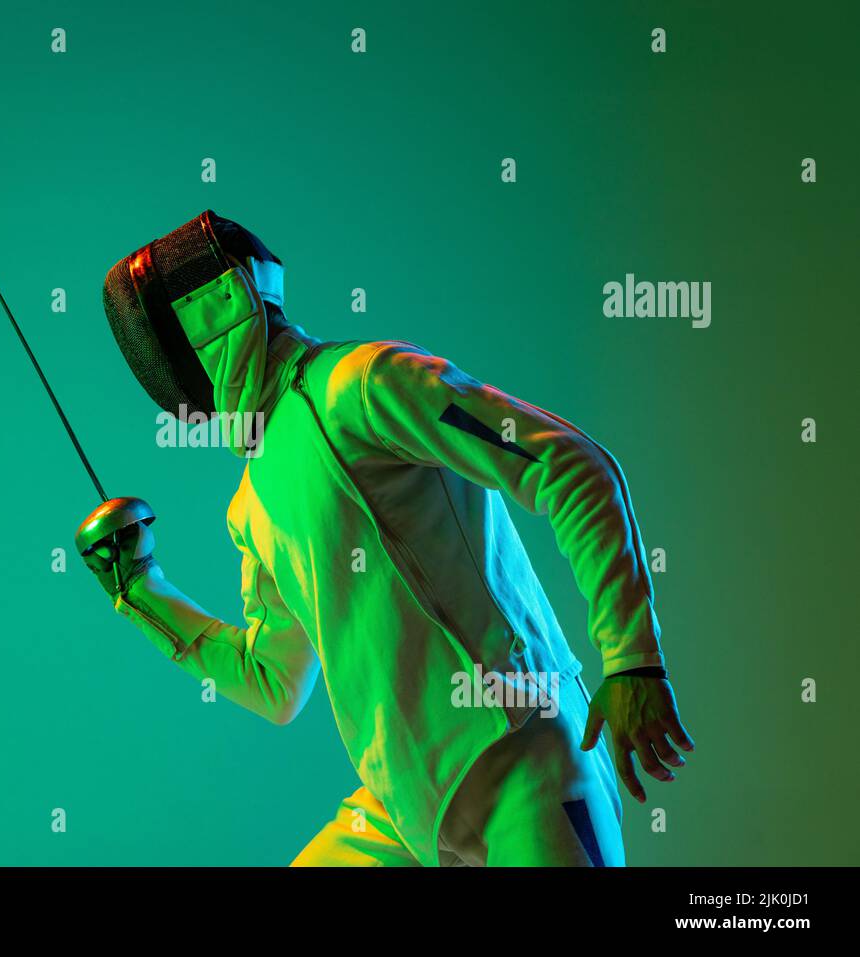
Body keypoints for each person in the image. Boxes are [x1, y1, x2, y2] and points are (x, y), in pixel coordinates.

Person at [79, 210, 694, 866]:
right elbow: (273, 682)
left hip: (526, 760)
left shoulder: (364, 383)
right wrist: (142, 591)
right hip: (403, 807)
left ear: (219, 305)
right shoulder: (252, 503)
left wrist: (633, 659)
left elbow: (568, 464)